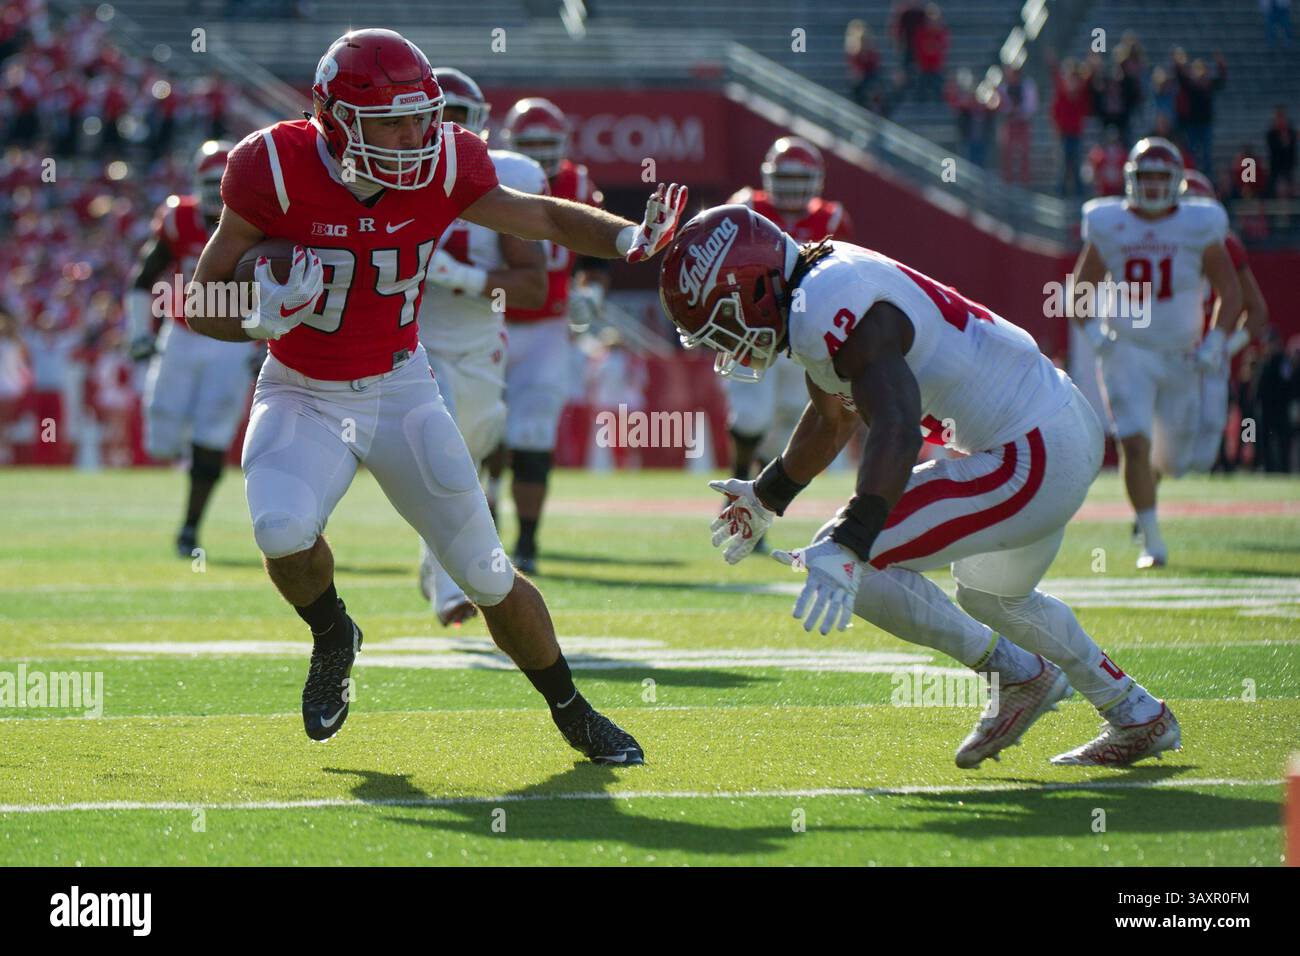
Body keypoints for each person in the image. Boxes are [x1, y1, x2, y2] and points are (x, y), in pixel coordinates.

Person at [187, 28, 686, 760]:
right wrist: (256, 315)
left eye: (423, 113)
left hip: (400, 384)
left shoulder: (446, 159)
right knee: (280, 531)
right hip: (301, 388)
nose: (416, 132)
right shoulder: (272, 167)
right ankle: (334, 636)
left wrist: (627, 241)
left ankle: (572, 710)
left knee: (485, 571)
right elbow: (201, 303)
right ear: (335, 119)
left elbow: (542, 216)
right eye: (392, 118)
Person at [659, 204, 1180, 767]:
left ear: (759, 285)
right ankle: (1135, 712)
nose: (727, 344)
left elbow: (897, 428)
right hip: (1053, 425)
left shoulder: (823, 306)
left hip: (1029, 452)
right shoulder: (819, 282)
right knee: (992, 595)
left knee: (843, 562)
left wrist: (854, 540)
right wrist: (769, 495)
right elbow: (835, 415)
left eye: (726, 321)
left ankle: (1017, 672)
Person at [414, 68, 549, 626]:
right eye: (434, 119)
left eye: (457, 120)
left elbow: (533, 285)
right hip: (409, 340)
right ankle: (447, 582)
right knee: (440, 452)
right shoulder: (380, 175)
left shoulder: (501, 176)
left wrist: (461, 276)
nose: (445, 131)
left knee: (462, 462)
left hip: (478, 346)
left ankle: (433, 565)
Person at [1069, 138, 1242, 568]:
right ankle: (1152, 541)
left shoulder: (1198, 224)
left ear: (1177, 183)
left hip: (1180, 353)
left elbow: (1231, 292)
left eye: (1159, 178)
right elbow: (1080, 291)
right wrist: (1094, 334)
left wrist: (1216, 341)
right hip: (1127, 349)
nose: (1150, 187)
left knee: (1176, 459)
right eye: (1144, 177)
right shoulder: (1109, 222)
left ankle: (1152, 497)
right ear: (1130, 179)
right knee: (1132, 439)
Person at [124, 140, 259, 557]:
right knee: (160, 437)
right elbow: (144, 278)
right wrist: (138, 334)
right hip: (181, 333)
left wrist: (265, 341)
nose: (214, 194)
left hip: (232, 341)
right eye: (208, 183)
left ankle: (189, 529)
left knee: (211, 436)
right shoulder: (179, 218)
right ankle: (188, 448)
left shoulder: (258, 221)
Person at [495, 97, 609, 574]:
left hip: (547, 327)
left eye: (547, 145)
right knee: (477, 435)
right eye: (530, 145)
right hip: (490, 321)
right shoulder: (494, 176)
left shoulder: (578, 184)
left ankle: (526, 543)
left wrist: (593, 293)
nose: (539, 154)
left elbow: (599, 252)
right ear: (512, 145)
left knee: (532, 435)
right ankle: (478, 541)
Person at [724, 136, 855, 543]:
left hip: (804, 339)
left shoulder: (832, 219)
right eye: (785, 177)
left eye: (800, 178)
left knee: (786, 427)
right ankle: (739, 484)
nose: (792, 187)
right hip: (754, 332)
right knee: (752, 418)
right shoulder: (748, 207)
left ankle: (755, 504)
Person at [1180, 170, 1271, 474]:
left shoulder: (1225, 245)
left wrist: (1223, 348)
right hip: (1168, 350)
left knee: (1206, 435)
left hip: (1206, 356)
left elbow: (1257, 311)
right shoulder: (1155, 242)